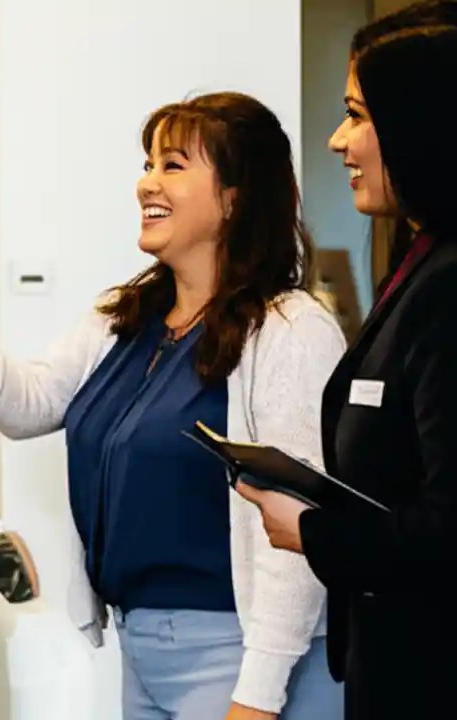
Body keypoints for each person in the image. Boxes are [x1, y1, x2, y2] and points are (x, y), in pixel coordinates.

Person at [0, 92, 345, 719]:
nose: (146, 183)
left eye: (173, 165)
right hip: (141, 648)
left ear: (235, 196)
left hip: (240, 656)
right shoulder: (126, 316)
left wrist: (255, 699)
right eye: (147, 164)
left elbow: (294, 535)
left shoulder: (289, 329)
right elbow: (25, 404)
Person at [236, 2, 457, 718]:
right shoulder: (421, 262)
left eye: (358, 115)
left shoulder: (449, 284)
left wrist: (311, 532)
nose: (337, 140)